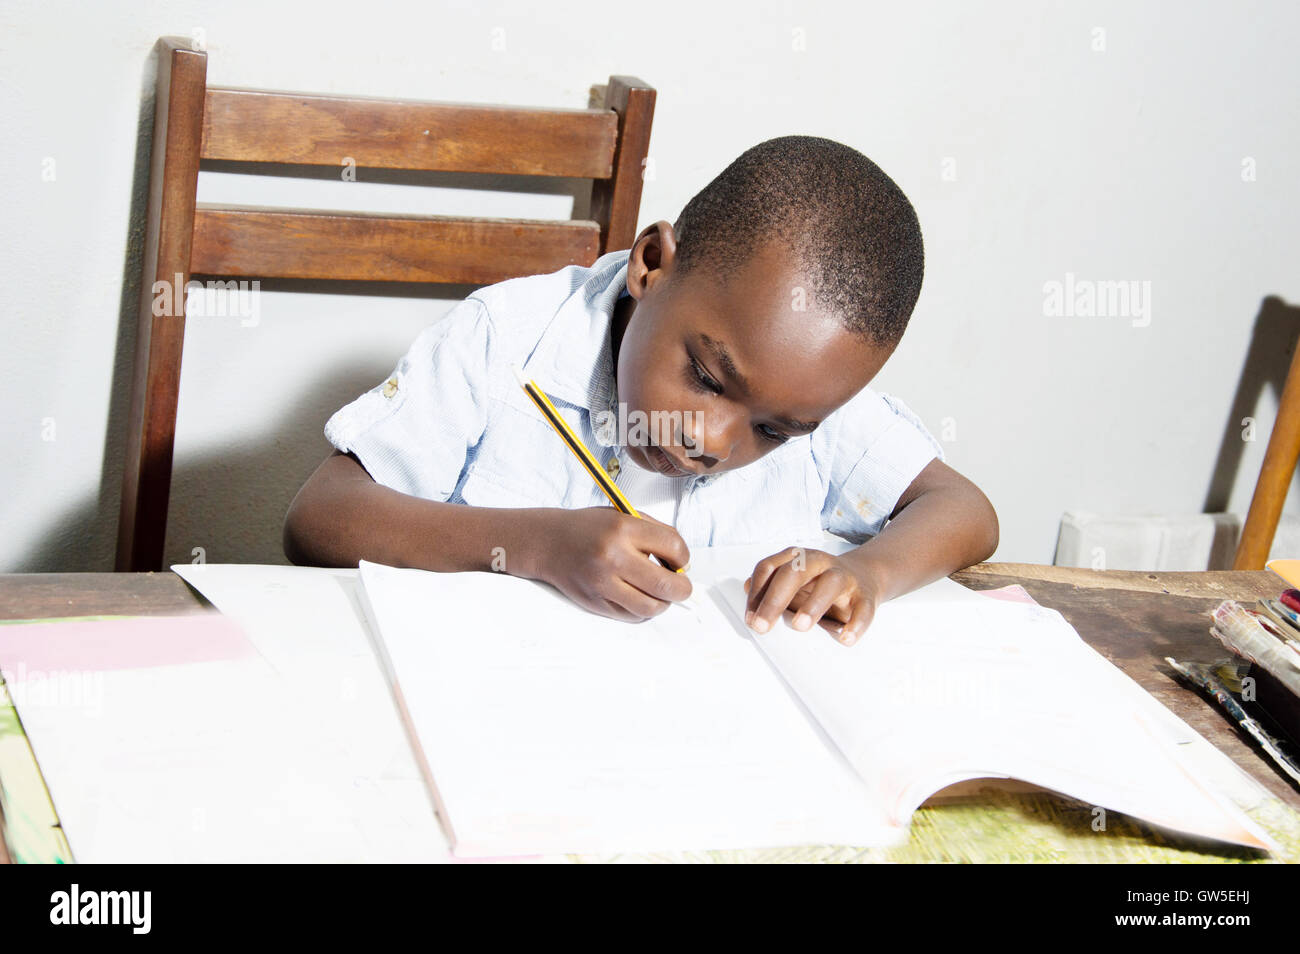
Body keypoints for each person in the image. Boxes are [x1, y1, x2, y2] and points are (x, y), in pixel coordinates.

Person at [284, 135, 998, 645]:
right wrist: (535, 545)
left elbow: (964, 510)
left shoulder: (802, 397)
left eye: (774, 432)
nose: (712, 441)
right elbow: (319, 517)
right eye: (708, 379)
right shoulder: (508, 339)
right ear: (652, 266)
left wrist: (866, 572)